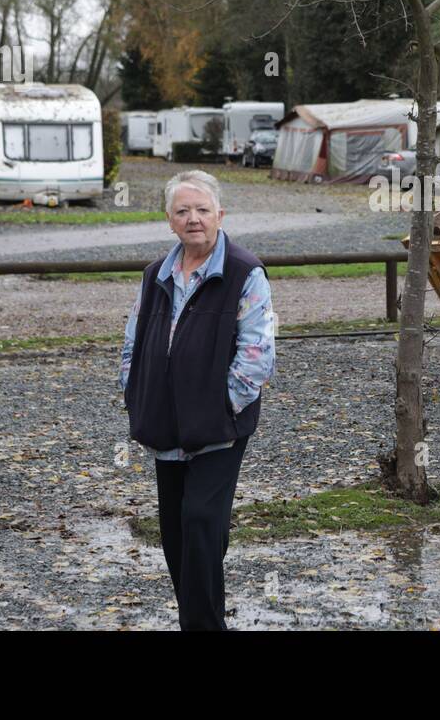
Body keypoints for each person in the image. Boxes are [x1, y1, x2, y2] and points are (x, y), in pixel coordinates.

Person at [119, 170, 276, 630]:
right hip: (165, 425)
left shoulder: (245, 273)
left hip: (218, 430)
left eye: (202, 210)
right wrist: (135, 393)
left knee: (201, 523)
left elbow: (257, 353)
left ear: (220, 216)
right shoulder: (155, 276)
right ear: (169, 220)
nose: (194, 219)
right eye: (183, 211)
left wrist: (224, 406)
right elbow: (132, 342)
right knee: (177, 536)